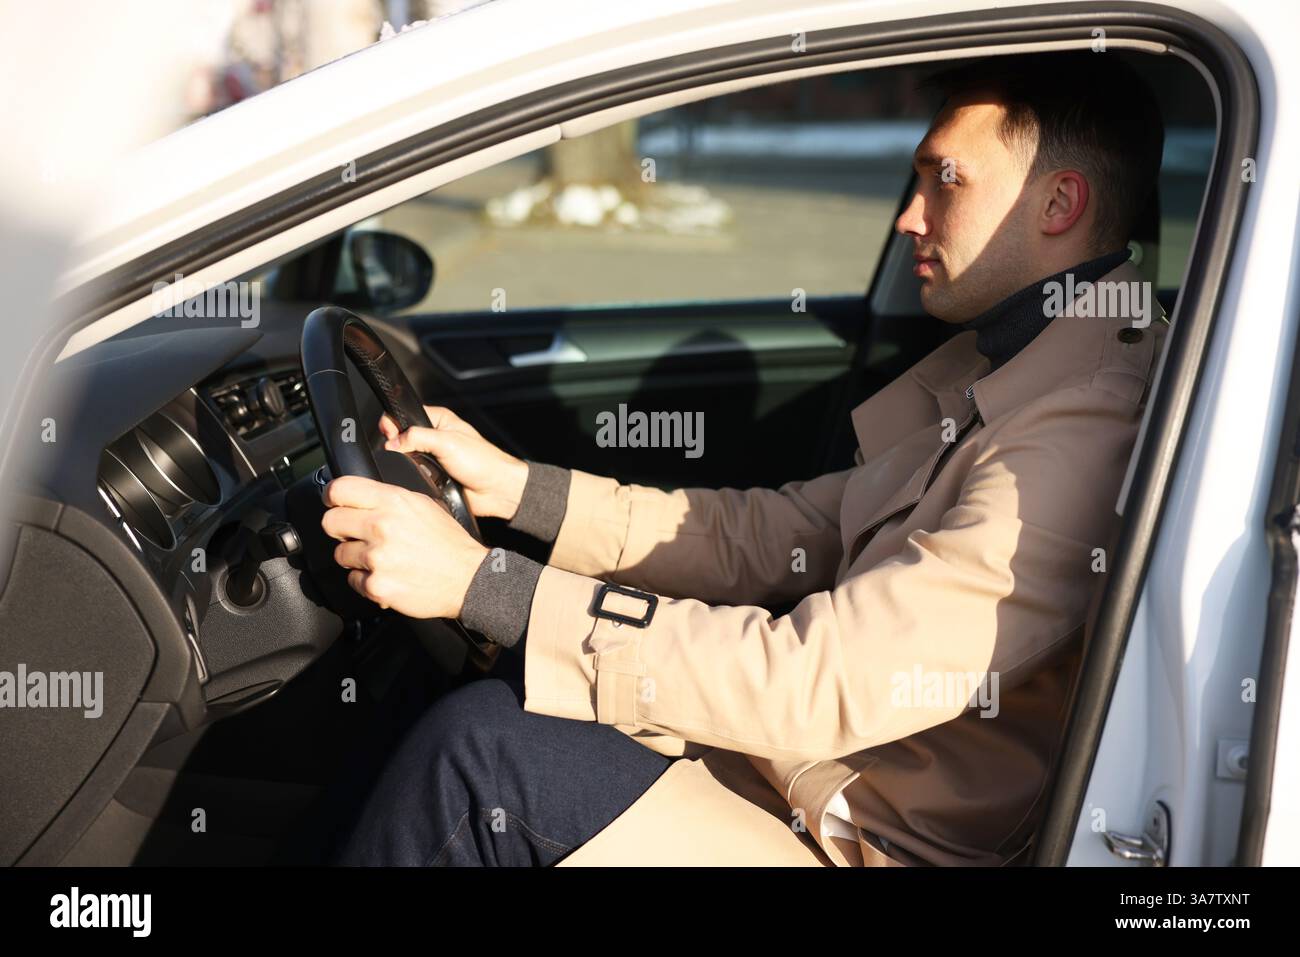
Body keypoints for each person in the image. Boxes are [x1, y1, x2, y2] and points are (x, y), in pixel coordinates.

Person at [330, 52, 1167, 866]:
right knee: (479, 704)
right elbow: (785, 530)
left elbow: (821, 677)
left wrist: (486, 585)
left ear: (1059, 202)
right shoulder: (1022, 363)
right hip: (805, 782)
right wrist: (522, 491)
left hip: (859, 836)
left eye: (944, 179)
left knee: (479, 760)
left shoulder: (1077, 429)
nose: (911, 216)